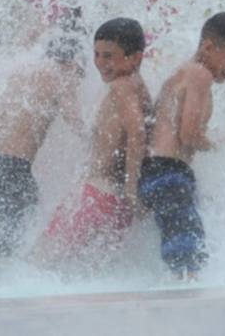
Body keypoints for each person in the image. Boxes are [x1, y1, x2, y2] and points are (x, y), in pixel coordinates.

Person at [0, 32, 86, 278]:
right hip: (9, 168)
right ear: (71, 63)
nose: (78, 80)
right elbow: (75, 121)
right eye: (80, 73)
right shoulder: (61, 76)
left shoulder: (20, 72)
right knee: (13, 244)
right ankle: (4, 298)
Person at [138, 11, 225, 279]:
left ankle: (178, 292)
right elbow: (189, 136)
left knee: (182, 238)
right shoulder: (199, 75)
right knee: (187, 249)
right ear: (208, 46)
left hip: (159, 171)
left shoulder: (185, 73)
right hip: (168, 173)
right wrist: (215, 142)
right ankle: (186, 300)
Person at [37, 18, 151, 270]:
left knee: (39, 262)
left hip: (97, 196)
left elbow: (138, 132)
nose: (100, 63)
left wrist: (133, 189)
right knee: (84, 274)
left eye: (109, 56)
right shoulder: (137, 88)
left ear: (135, 58)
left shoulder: (121, 87)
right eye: (97, 54)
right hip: (115, 202)